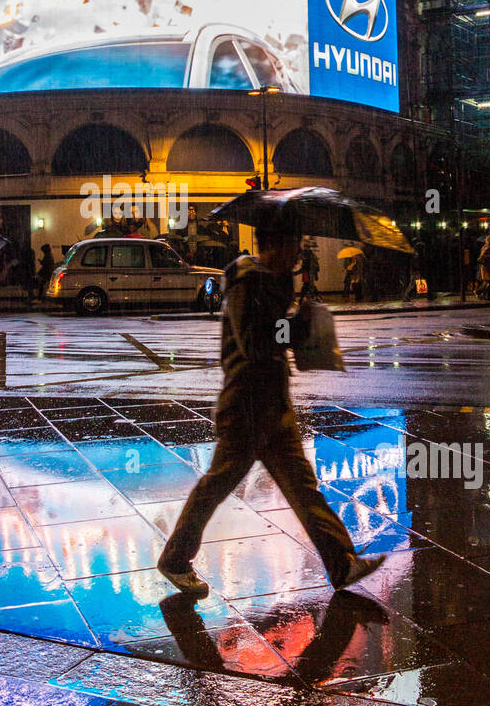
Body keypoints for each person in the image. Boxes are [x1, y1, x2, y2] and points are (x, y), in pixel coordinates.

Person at [156, 210, 385, 598]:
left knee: (302, 487)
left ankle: (342, 563)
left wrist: (297, 321)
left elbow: (272, 336)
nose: (299, 253)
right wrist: (295, 330)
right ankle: (175, 560)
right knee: (217, 485)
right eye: (294, 245)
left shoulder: (273, 281)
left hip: (271, 405)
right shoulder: (248, 284)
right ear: (273, 245)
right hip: (246, 405)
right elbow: (254, 343)